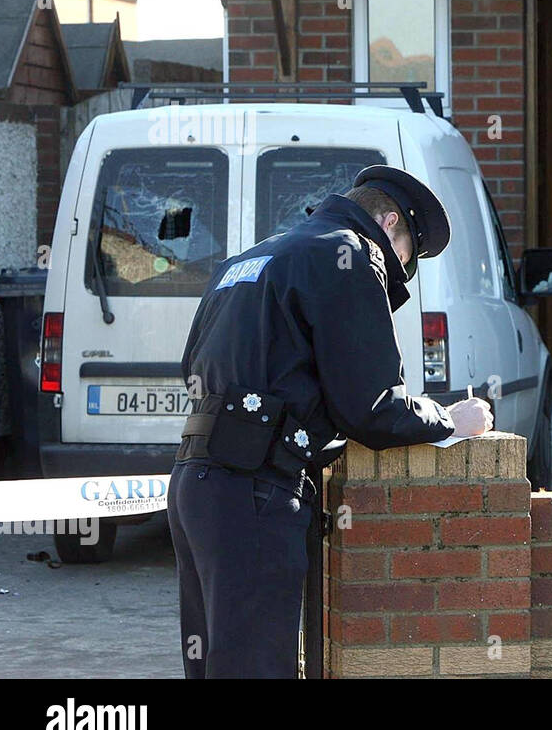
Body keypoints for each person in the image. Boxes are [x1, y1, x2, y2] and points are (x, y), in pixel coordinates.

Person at [167, 164, 493, 678]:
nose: (398, 271)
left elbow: (191, 368)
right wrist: (448, 419)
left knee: (216, 663)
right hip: (257, 487)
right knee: (255, 668)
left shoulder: (251, 257)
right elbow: (373, 406)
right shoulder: (350, 255)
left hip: (194, 481)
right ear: (389, 224)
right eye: (405, 259)